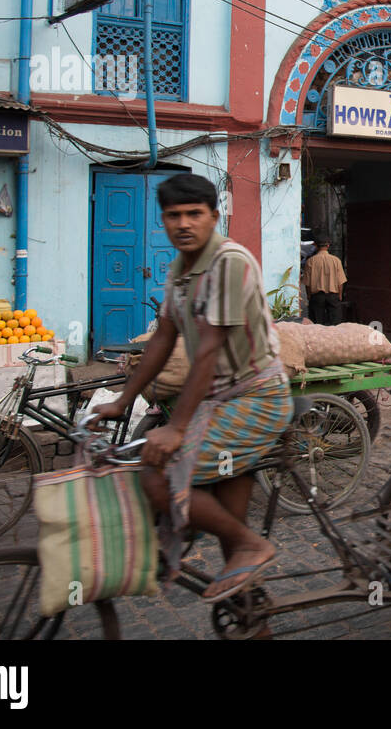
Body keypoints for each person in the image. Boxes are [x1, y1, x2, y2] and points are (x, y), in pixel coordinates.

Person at [97, 173, 293, 603]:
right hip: (218, 402)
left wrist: (178, 429)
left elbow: (206, 350)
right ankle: (248, 608)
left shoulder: (230, 261)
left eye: (194, 214)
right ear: (162, 220)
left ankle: (251, 545)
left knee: (158, 476)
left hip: (257, 398)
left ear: (213, 217)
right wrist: (123, 400)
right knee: (228, 538)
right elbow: (163, 339)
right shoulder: (179, 270)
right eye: (173, 215)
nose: (183, 224)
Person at [302, 239, 346, 325]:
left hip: (317, 297)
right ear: (328, 246)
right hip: (333, 296)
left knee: (317, 324)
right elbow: (340, 281)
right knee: (335, 324)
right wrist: (340, 295)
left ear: (315, 246)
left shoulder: (311, 261)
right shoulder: (336, 260)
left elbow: (307, 283)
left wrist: (309, 296)